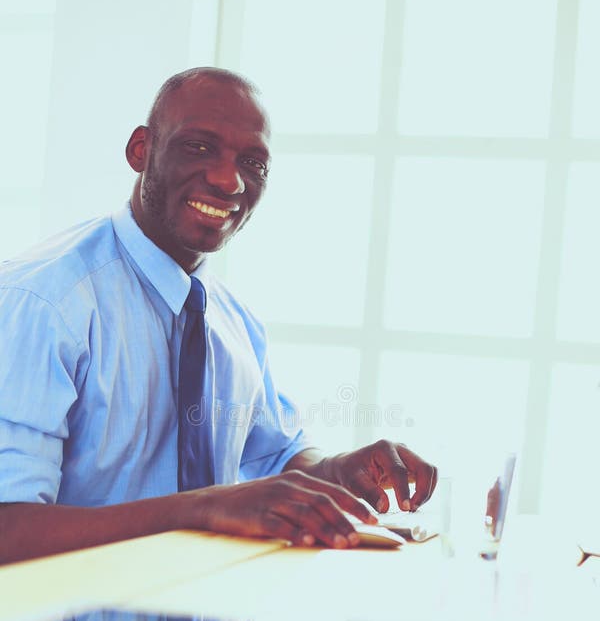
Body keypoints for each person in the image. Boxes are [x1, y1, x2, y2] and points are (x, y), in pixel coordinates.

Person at [0, 67, 437, 563]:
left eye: (253, 162)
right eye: (199, 147)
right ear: (140, 150)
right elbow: (7, 528)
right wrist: (202, 508)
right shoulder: (42, 303)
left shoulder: (233, 320)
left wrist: (338, 473)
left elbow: (275, 459)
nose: (228, 180)